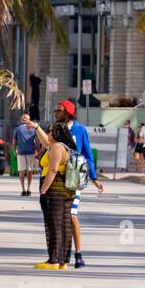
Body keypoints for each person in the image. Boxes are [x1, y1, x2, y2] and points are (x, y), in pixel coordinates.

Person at [58, 100, 102, 269]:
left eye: (59, 110)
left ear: (68, 113)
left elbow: (88, 155)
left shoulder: (80, 130)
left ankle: (78, 254)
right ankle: (61, 253)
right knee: (59, 217)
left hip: (74, 179)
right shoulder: (55, 129)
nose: (56, 113)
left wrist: (94, 178)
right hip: (57, 179)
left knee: (72, 216)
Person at [31, 120, 76, 270]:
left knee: (54, 225)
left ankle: (54, 260)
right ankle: (63, 261)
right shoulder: (63, 147)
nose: (48, 134)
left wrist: (43, 191)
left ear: (56, 134)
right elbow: (45, 141)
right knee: (64, 224)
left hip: (55, 191)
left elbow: (52, 170)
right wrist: (36, 127)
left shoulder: (57, 148)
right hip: (66, 191)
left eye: (50, 131)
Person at [13, 113, 38, 197]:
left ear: (21, 120)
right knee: (30, 171)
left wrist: (14, 150)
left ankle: (23, 189)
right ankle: (29, 189)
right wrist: (37, 150)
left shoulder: (17, 129)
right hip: (31, 152)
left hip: (21, 152)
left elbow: (14, 142)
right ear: (28, 120)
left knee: (22, 171)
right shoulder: (33, 129)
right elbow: (37, 141)